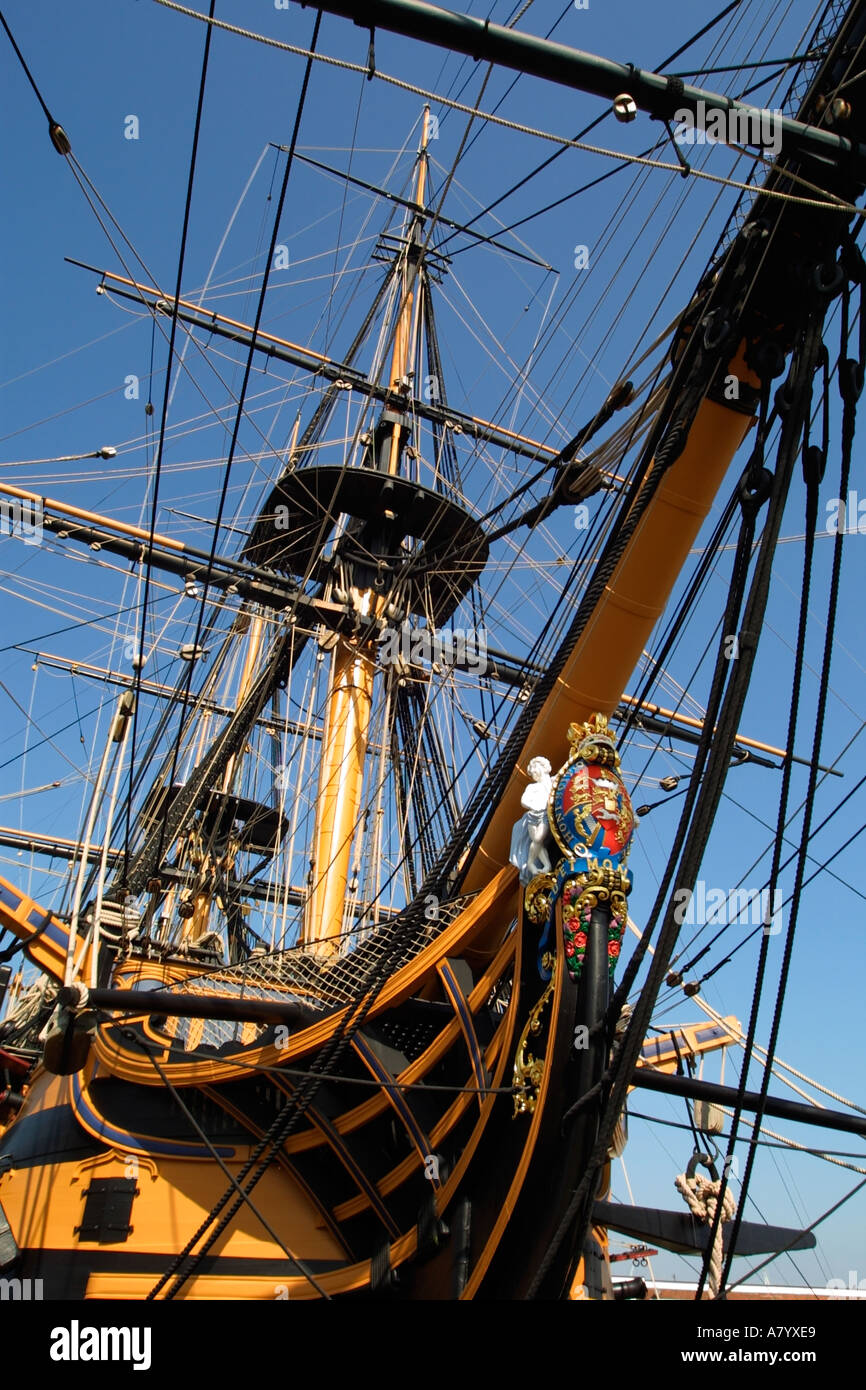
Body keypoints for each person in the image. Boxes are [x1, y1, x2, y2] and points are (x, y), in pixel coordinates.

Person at [509, 755, 553, 885]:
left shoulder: (554, 781)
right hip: (533, 816)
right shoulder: (532, 787)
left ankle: (532, 863)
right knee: (537, 841)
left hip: (545, 815)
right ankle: (542, 866)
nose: (533, 772)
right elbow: (524, 801)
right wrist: (534, 806)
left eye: (534, 768)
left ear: (543, 767)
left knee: (539, 839)